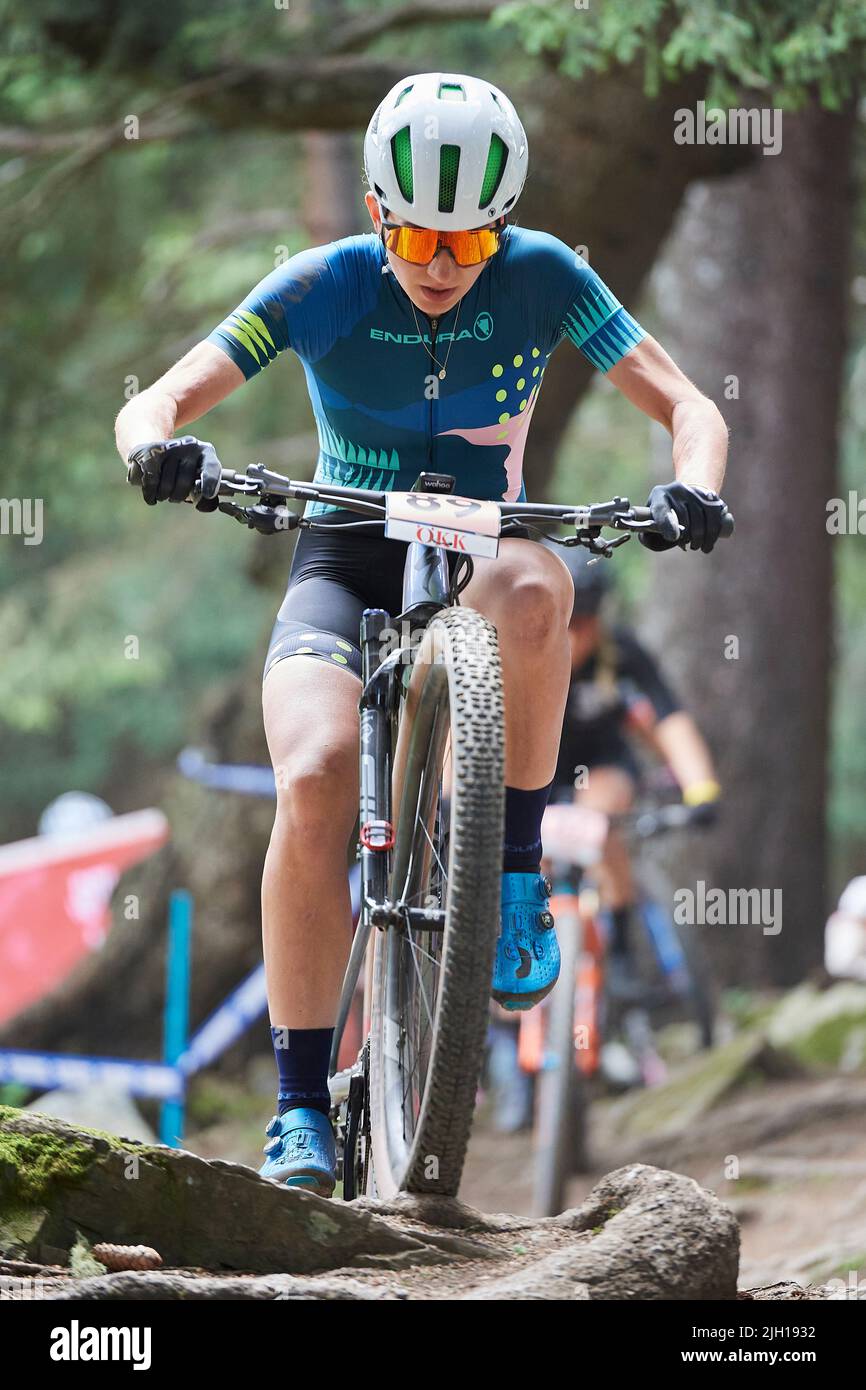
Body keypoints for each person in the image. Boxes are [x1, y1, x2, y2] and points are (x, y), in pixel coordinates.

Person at [114, 72, 729, 1194]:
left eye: (468, 241)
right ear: (370, 208)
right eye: (414, 233)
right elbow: (154, 399)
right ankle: (300, 1106)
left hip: (486, 545)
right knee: (312, 772)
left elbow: (692, 406)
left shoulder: (544, 275)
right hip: (342, 552)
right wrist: (156, 445)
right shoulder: (321, 285)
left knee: (541, 593)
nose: (442, 263)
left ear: (502, 228)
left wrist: (691, 485)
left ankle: (511, 872)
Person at [553, 545, 721, 977]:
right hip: (539, 769)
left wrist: (700, 787)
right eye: (569, 622)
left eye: (586, 623)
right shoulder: (526, 646)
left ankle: (622, 946)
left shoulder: (620, 652)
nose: (577, 636)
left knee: (600, 815)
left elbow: (669, 717)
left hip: (604, 763)